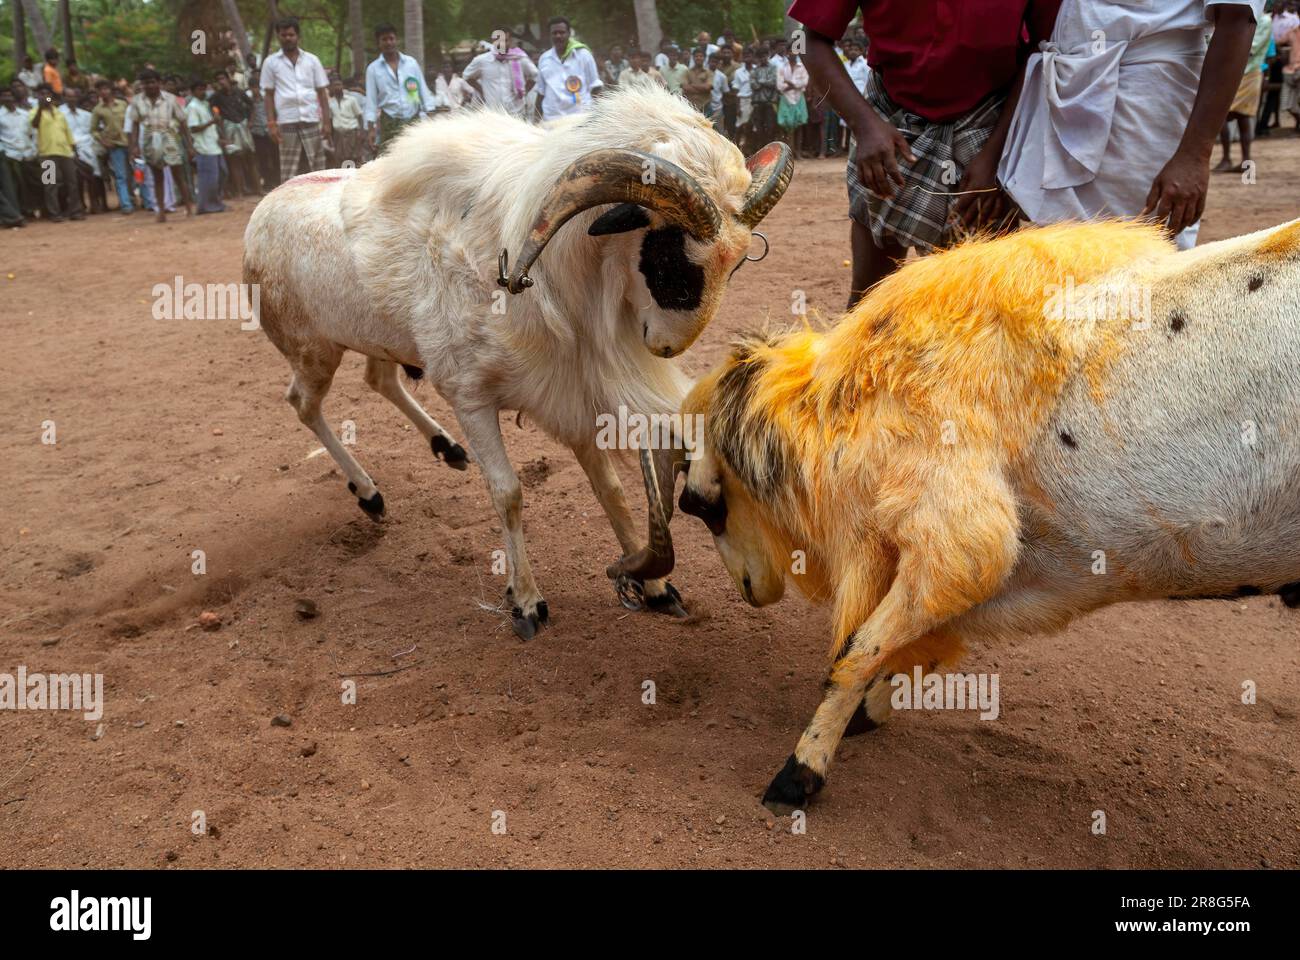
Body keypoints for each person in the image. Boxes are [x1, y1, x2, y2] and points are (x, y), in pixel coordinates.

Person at [791, 0, 1058, 308]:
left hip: (988, 129)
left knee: (979, 307)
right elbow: (810, 39)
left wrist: (996, 155)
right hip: (890, 125)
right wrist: (865, 126)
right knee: (869, 301)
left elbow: (1044, 50)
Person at [999, 0, 1265, 252]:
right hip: (1063, 92)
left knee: (1139, 261)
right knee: (1062, 256)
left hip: (1145, 104)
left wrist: (1194, 155)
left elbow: (1238, 17)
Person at [261, 16, 332, 182]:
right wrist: (271, 123)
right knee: (289, 169)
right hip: (287, 122)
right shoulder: (270, 63)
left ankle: (318, 204)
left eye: (291, 35)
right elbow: (269, 95)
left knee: (317, 169)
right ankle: (288, 205)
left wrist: (327, 122)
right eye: (283, 35)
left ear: (298, 36)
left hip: (311, 119)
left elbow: (322, 92)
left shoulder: (312, 60)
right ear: (278, 36)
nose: (287, 38)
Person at [128, 67, 195, 222]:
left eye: (152, 82)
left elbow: (183, 122)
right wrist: (134, 146)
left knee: (178, 175)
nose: (149, 86)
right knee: (157, 176)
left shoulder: (171, 99)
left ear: (159, 82)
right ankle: (161, 212)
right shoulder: (137, 101)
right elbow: (135, 125)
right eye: (146, 83)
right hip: (150, 138)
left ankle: (188, 208)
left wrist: (189, 145)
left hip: (169, 136)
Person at [364, 22, 439, 152]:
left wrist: (431, 118)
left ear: (396, 40)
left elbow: (423, 92)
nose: (388, 42)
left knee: (416, 159)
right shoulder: (373, 69)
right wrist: (371, 129)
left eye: (391, 38)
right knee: (390, 161)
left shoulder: (411, 63)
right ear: (378, 43)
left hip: (413, 121)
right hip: (389, 123)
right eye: (384, 39)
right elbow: (371, 102)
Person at [1217, 7, 1274, 171]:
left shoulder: (1264, 21)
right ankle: (1234, 160)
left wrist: (1222, 47)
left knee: (1235, 116)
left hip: (1250, 72)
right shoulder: (1243, 18)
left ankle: (1239, 160)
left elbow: (1251, 47)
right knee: (1230, 116)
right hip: (1233, 72)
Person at [29, 84, 82, 221]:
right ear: (37, 96)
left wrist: (73, 149)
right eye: (41, 94)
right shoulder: (35, 111)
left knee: (72, 182)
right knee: (50, 184)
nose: (45, 96)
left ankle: (75, 211)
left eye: (47, 94)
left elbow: (67, 132)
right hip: (47, 152)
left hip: (64, 151)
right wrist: (41, 107)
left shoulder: (59, 113)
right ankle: (54, 213)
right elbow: (35, 124)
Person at [535, 17, 603, 120]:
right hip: (552, 121)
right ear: (550, 35)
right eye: (554, 33)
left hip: (580, 118)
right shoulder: (544, 59)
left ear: (569, 33)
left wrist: (600, 117)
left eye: (562, 32)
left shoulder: (584, 55)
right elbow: (541, 93)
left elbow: (596, 88)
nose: (558, 36)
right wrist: (536, 118)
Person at [461, 26, 536, 118]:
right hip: (493, 116)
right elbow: (467, 76)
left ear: (510, 41)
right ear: (493, 41)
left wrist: (524, 91)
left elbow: (535, 76)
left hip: (516, 115)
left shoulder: (519, 59)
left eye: (505, 40)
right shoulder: (482, 60)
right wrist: (482, 90)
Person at [210, 69, 259, 197]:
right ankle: (239, 192)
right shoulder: (216, 97)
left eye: (223, 78)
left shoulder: (239, 92)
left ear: (228, 79)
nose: (221, 82)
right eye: (218, 79)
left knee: (250, 158)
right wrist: (221, 130)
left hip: (243, 125)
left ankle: (257, 189)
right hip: (229, 127)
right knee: (234, 160)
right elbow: (214, 112)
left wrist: (251, 122)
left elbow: (252, 106)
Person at [185, 77, 226, 214]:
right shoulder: (192, 107)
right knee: (208, 179)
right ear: (192, 91)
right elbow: (193, 128)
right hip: (203, 147)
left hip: (213, 145)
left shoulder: (204, 104)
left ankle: (215, 203)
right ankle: (205, 206)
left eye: (204, 89)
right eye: (199, 89)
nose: (202, 92)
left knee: (219, 175)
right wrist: (212, 122)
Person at [91, 79, 133, 214]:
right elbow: (93, 130)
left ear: (111, 90)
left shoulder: (123, 104)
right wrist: (103, 141)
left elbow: (132, 121)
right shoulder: (97, 110)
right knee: (120, 176)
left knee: (137, 173)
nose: (103, 91)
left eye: (105, 88)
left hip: (130, 142)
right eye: (100, 89)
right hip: (115, 145)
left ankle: (146, 201)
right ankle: (126, 204)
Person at [60, 89, 102, 214]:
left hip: (85, 149)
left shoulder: (85, 115)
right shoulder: (58, 114)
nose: (71, 99)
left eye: (74, 97)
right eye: (68, 96)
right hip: (57, 153)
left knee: (88, 177)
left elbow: (93, 131)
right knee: (54, 182)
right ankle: (57, 210)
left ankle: (90, 203)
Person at [1, 85, 38, 222]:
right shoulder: (0, 116)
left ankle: (42, 209)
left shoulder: (25, 114)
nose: (7, 98)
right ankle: (20, 211)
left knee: (43, 180)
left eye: (9, 95)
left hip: (29, 154)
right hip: (10, 155)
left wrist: (33, 149)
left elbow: (32, 133)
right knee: (15, 186)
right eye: (4, 95)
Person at [247, 71, 277, 190]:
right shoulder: (249, 101)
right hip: (257, 133)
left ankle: (275, 180)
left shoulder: (266, 99)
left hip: (269, 131)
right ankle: (267, 182)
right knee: (262, 159)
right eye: (253, 87)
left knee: (273, 157)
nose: (255, 90)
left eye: (256, 87)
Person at [327, 75, 364, 167]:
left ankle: (353, 178)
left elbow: (359, 116)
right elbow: (330, 120)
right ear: (331, 87)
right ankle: (342, 178)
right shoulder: (330, 102)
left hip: (352, 132)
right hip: (338, 134)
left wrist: (361, 132)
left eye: (339, 84)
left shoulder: (351, 100)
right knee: (339, 157)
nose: (337, 87)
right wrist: (330, 137)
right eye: (335, 85)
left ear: (343, 86)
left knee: (353, 157)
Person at [749, 44, 779, 150]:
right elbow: (753, 85)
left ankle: (771, 150)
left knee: (771, 127)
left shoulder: (774, 68)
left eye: (765, 55)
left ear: (768, 55)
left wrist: (760, 82)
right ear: (758, 58)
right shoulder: (754, 70)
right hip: (758, 103)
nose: (763, 58)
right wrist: (764, 83)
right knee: (759, 127)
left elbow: (773, 82)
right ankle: (761, 150)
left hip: (770, 102)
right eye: (760, 56)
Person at [776, 54, 809, 150]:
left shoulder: (802, 67)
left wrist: (789, 83)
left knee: (799, 126)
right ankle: (788, 152)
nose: (792, 54)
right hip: (786, 98)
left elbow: (804, 82)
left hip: (798, 98)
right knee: (785, 126)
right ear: (786, 52)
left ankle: (797, 152)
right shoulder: (782, 67)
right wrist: (795, 85)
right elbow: (779, 86)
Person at [683, 47, 714, 114]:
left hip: (705, 107)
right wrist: (702, 88)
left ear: (704, 58)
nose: (698, 58)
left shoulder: (709, 72)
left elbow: (707, 88)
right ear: (693, 58)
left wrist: (691, 85)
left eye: (701, 56)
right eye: (696, 56)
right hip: (690, 107)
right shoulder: (687, 72)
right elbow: (685, 88)